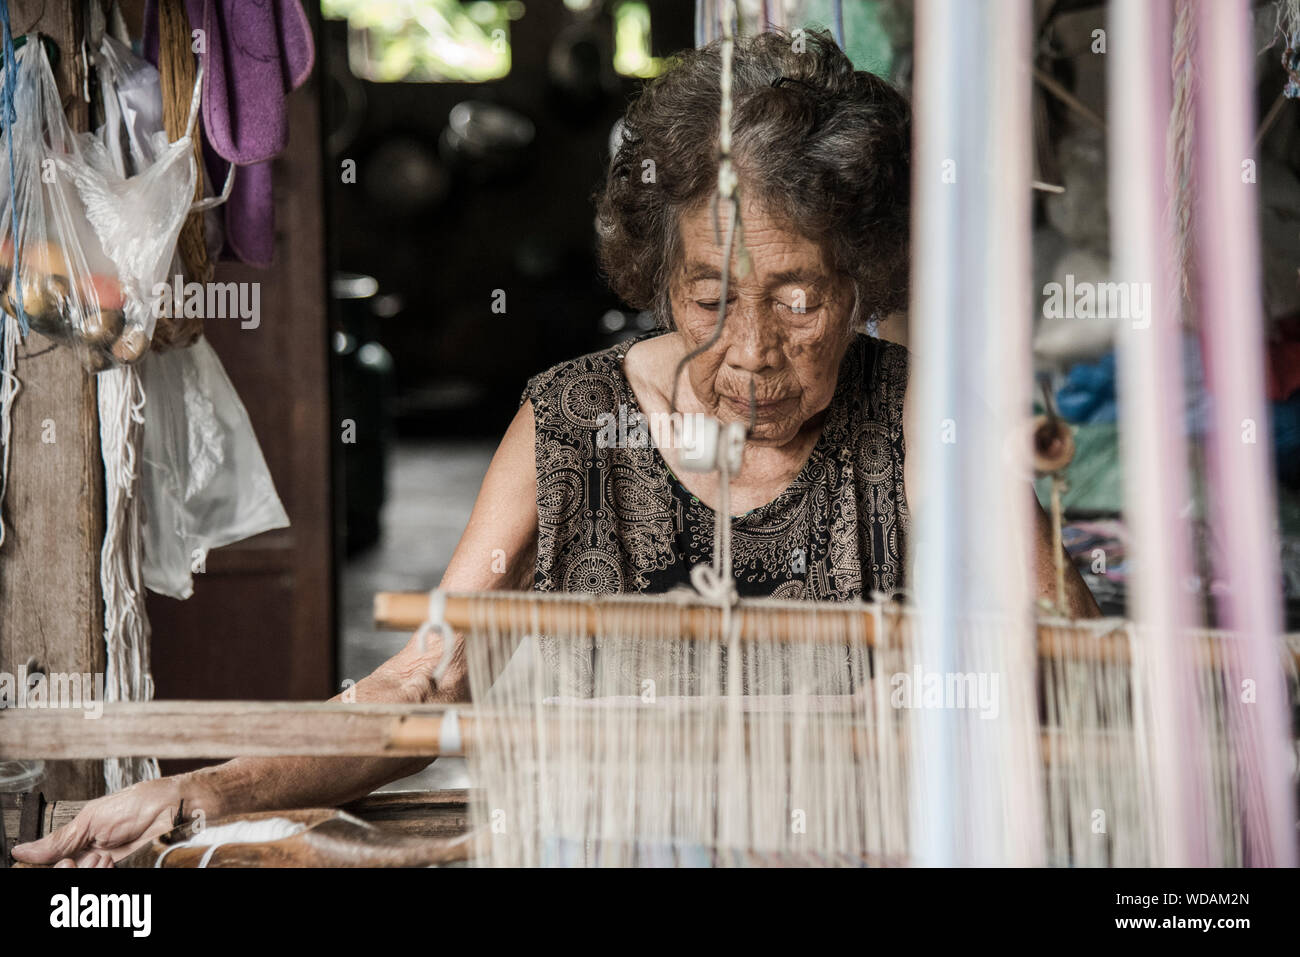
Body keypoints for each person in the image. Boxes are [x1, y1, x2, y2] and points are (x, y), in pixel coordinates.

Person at [13, 28, 1098, 867]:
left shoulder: (915, 424)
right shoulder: (574, 424)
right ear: (657, 276)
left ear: (862, 282)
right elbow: (424, 687)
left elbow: (1068, 666)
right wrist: (203, 793)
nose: (751, 352)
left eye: (801, 300)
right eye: (710, 296)